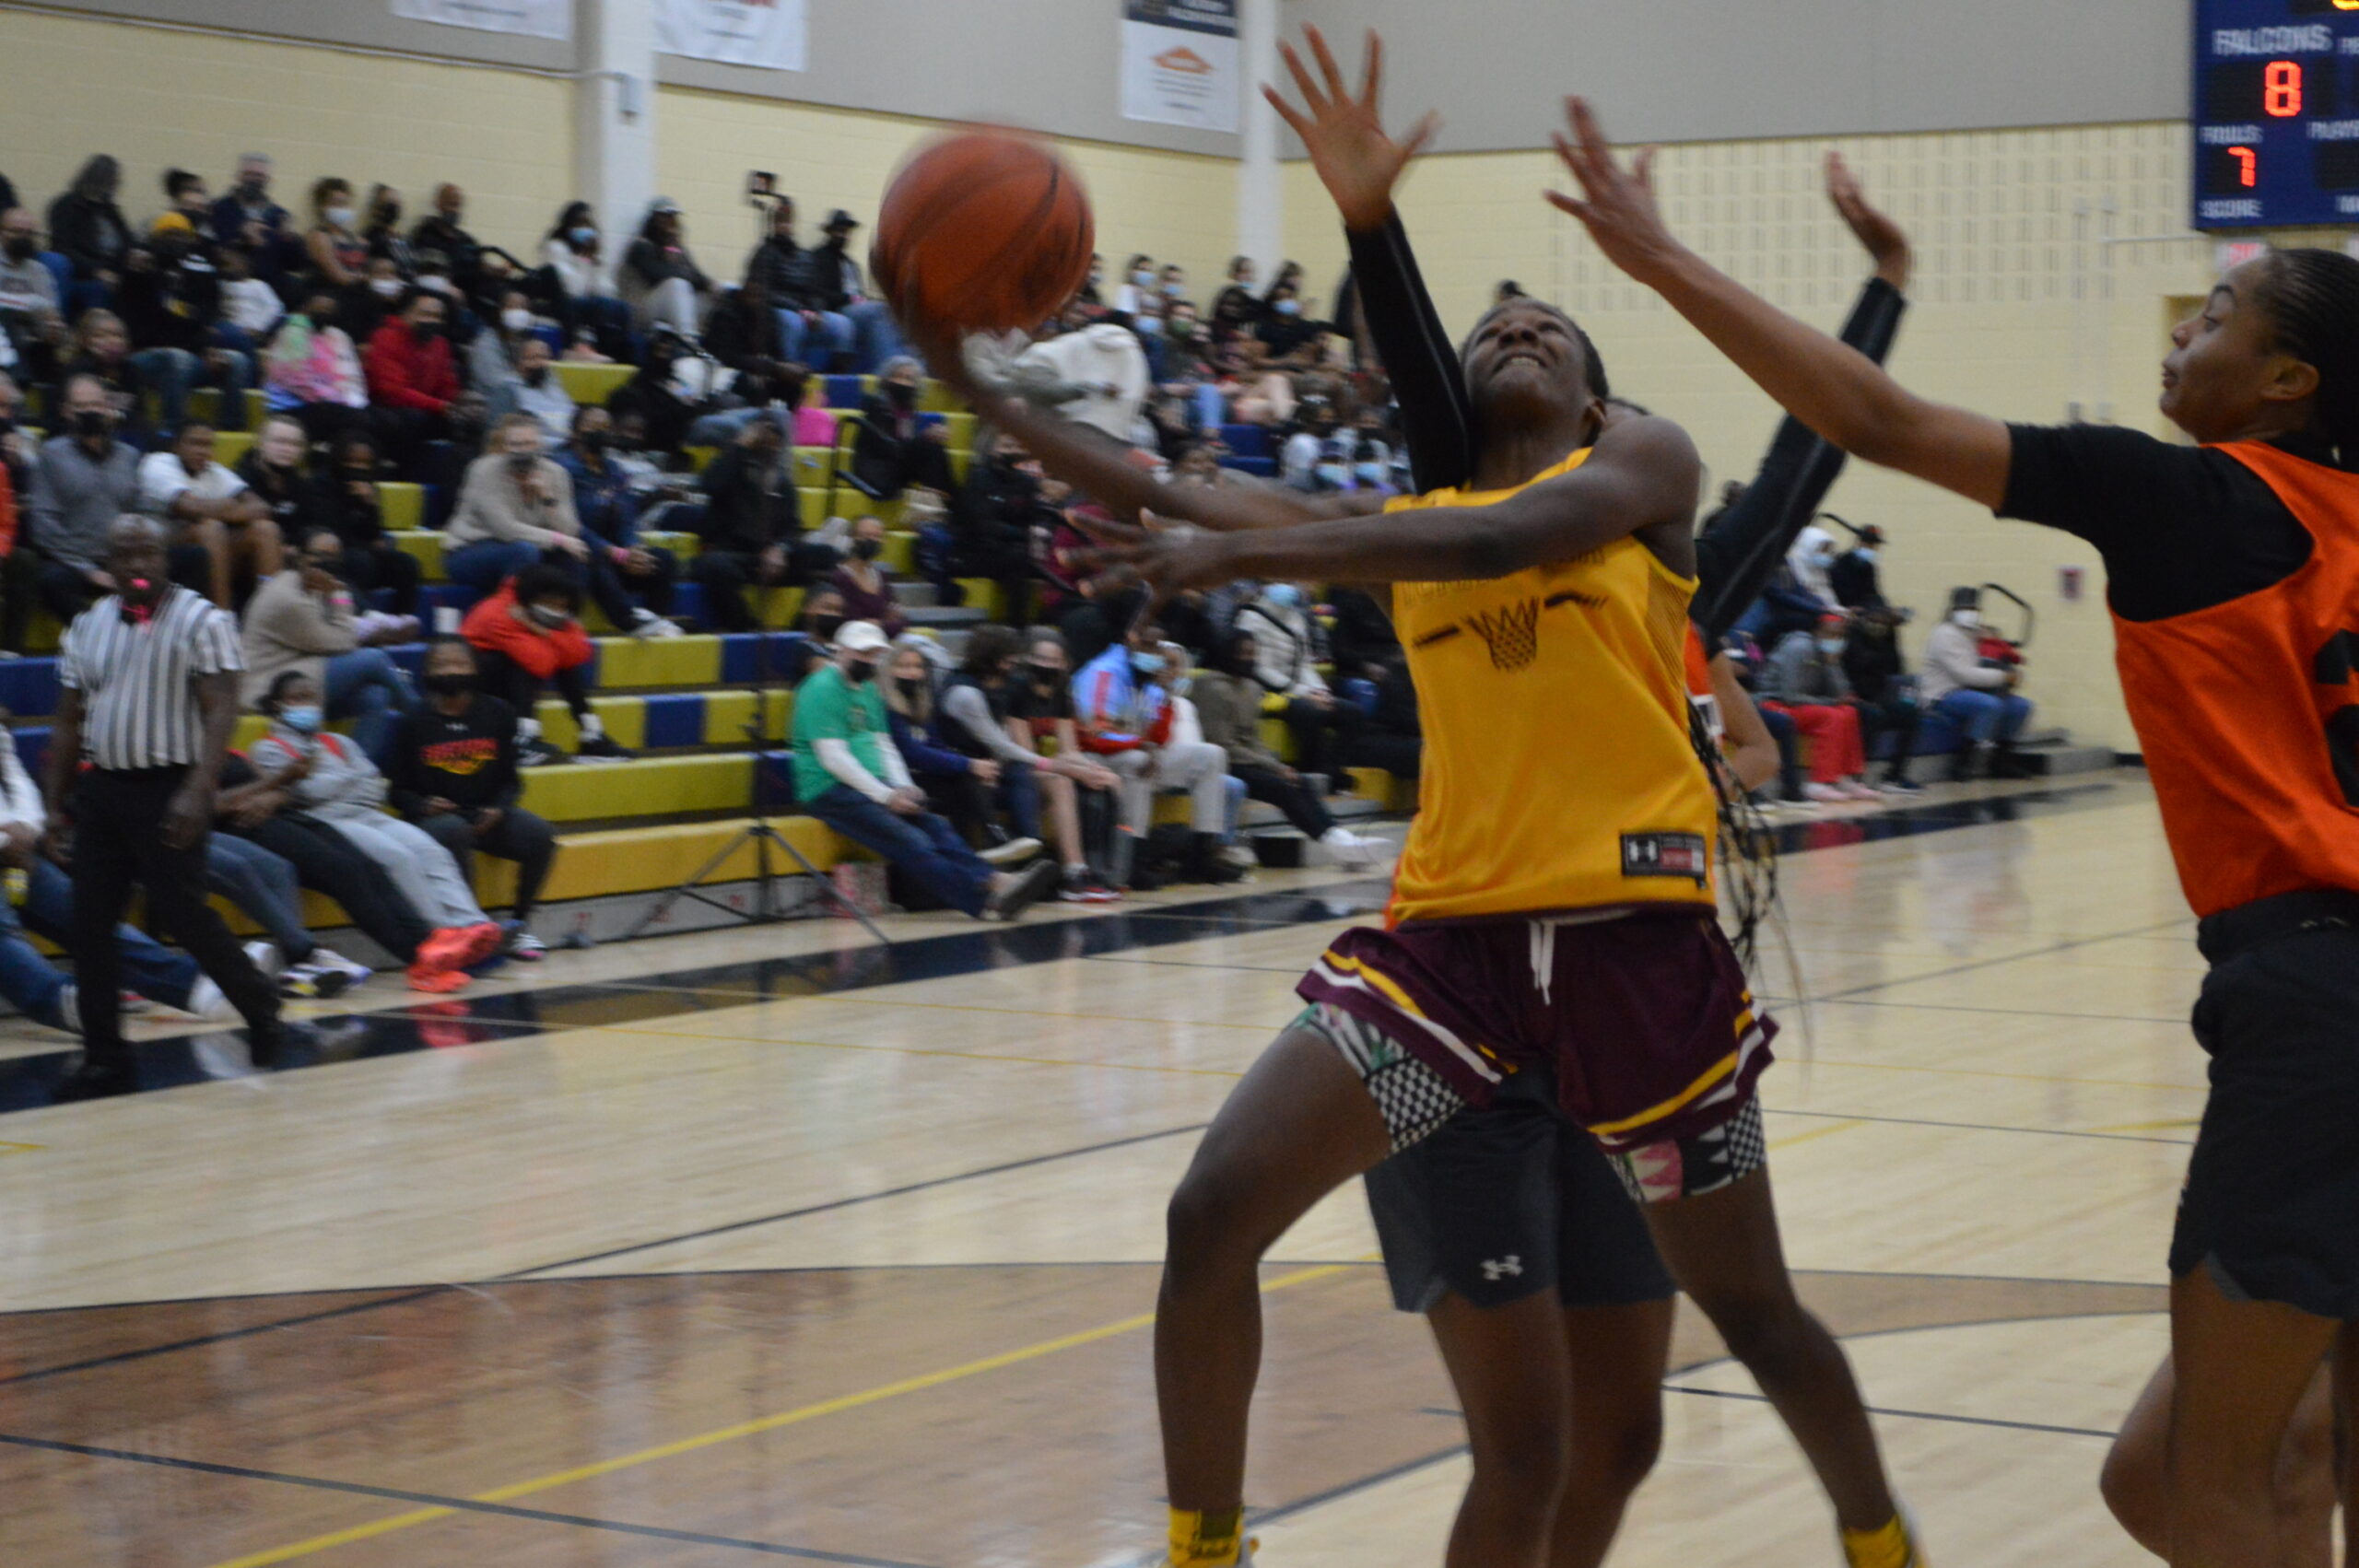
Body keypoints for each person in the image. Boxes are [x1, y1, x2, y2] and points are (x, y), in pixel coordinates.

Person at [907, 33, 1925, 1568]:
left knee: (1754, 1320)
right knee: (1212, 1211)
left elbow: (1502, 543)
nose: (1519, 328)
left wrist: (1253, 548)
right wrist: (950, 363)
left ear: (1593, 388)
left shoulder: (1641, 471)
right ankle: (1203, 1542)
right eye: (1496, 322)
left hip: (1637, 963)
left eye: (1549, 324)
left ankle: (1880, 1541)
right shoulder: (1397, 525)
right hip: (1448, 965)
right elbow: (1163, 483)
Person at [1555, 61, 2359, 1559]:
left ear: (2286, 383)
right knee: (2239, 1461)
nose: (2182, 336)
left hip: (2318, 997)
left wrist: (1657, 255)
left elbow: (1871, 418)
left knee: (2216, 1475)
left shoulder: (2185, 498)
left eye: (2212, 321)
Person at [42, 517, 287, 1100]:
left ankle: (260, 1005)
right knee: (90, 927)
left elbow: (221, 705)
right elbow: (68, 719)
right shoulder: (86, 626)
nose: (137, 565)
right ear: (108, 562)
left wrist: (200, 790)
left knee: (186, 916)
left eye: (147, 552)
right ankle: (106, 1058)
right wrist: (54, 806)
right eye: (125, 555)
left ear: (164, 557)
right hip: (102, 790)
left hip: (170, 786)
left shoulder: (202, 619)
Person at [790, 620, 1061, 920]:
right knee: (909, 839)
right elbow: (834, 758)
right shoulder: (821, 688)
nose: (868, 661)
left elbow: (885, 746)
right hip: (829, 789)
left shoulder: (868, 689)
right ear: (840, 652)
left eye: (874, 654)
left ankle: (997, 881)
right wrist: (886, 795)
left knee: (935, 826)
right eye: (862, 654)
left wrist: (904, 786)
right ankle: (984, 901)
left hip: (872, 784)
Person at [245, 671, 504, 982]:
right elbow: (300, 796)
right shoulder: (268, 749)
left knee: (431, 851)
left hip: (370, 813)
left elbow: (374, 785)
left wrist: (325, 783)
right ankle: (443, 937)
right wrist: (345, 781)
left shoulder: (338, 741)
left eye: (311, 698)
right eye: (297, 698)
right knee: (398, 858)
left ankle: (473, 926)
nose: (307, 705)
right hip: (329, 821)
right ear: (277, 705)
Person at [385, 638, 557, 959]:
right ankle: (474, 930)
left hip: (484, 815)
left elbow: (511, 780)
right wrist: (423, 806)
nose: (450, 670)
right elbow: (396, 791)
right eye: (441, 664)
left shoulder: (499, 713)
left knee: (541, 835)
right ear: (428, 673)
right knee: (452, 829)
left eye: (459, 663)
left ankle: (519, 926)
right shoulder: (413, 721)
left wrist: (499, 809)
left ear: (475, 669)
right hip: (434, 821)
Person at [446, 414, 680, 638]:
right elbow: (505, 529)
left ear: (539, 445)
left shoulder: (556, 473)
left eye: (528, 443)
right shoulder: (484, 470)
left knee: (579, 555)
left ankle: (584, 623)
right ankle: (517, 623)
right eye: (514, 444)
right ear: (504, 446)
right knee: (526, 550)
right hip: (471, 551)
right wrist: (559, 540)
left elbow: (569, 528)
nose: (521, 450)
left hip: (530, 550)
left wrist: (548, 498)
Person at [937, 623, 1123, 903]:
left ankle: (1095, 870)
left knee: (1101, 780)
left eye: (1054, 660)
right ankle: (1063, 869)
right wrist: (1064, 768)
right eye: (1040, 659)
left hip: (1013, 766)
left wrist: (1090, 770)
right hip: (990, 769)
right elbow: (1011, 750)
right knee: (1059, 782)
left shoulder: (1055, 690)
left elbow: (1068, 748)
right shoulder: (1004, 690)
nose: (1043, 665)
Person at [1071, 618, 1242, 890]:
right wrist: (1140, 743)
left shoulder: (1149, 680)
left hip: (1134, 753)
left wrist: (1164, 696)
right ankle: (1133, 863)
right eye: (1148, 645)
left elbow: (1159, 739)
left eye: (1156, 648)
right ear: (1130, 640)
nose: (1153, 654)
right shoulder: (1104, 672)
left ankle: (1201, 857)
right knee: (1138, 761)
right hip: (1093, 757)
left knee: (1211, 755)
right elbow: (1094, 735)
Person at [1195, 630, 1382, 868]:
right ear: (1228, 654)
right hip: (1221, 760)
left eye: (1253, 654)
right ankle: (1336, 844)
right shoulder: (1211, 687)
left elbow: (1252, 739)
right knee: (1280, 787)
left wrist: (1279, 765)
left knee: (1300, 781)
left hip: (1248, 759)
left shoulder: (1251, 687)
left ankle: (1338, 837)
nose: (1248, 659)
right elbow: (1222, 744)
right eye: (1243, 653)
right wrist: (1272, 767)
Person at [241, 527, 416, 759]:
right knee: (374, 659)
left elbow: (338, 633)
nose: (326, 564)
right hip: (269, 686)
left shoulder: (306, 585)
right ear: (299, 556)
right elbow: (343, 642)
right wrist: (339, 593)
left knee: (376, 696)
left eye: (334, 558)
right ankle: (421, 717)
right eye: (319, 555)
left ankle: (359, 774)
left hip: (301, 672)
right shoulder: (288, 597)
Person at [879, 634, 1040, 860]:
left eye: (917, 666)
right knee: (965, 778)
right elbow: (911, 754)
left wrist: (971, 766)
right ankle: (994, 840)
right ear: (889, 671)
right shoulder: (885, 706)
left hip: (927, 776)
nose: (912, 673)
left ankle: (984, 852)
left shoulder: (923, 702)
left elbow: (936, 745)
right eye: (903, 666)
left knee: (972, 780)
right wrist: (968, 764)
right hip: (899, 780)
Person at [460, 562, 626, 765]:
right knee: (528, 661)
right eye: (551, 604)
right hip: (474, 685)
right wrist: (551, 638)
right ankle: (523, 740)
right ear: (532, 598)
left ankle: (591, 734)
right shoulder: (499, 613)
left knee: (566, 662)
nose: (556, 611)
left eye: (561, 607)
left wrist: (539, 630)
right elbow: (540, 664)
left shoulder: (544, 614)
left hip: (512, 680)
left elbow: (581, 653)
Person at [692, 413, 830, 632]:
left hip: (770, 559)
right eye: (763, 441)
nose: (769, 448)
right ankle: (743, 626)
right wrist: (741, 444)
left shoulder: (782, 482)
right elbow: (709, 485)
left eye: (774, 443)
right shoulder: (731, 467)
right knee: (714, 566)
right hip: (731, 554)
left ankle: (806, 624)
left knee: (826, 555)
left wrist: (780, 549)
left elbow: (791, 528)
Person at [25, 373, 142, 623]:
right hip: (75, 566)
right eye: (81, 406)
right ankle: (97, 637)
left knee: (188, 559)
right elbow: (43, 524)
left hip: (124, 563)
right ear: (67, 411)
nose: (90, 412)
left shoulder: (129, 456)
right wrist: (88, 571)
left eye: (96, 405)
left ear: (108, 408)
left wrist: (133, 564)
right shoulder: (50, 455)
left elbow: (142, 515)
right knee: (51, 581)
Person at [138, 421, 279, 609]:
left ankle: (268, 614)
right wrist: (229, 506)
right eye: (195, 443)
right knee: (210, 528)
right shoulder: (158, 463)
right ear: (177, 446)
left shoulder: (214, 471)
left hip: (209, 550)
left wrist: (217, 509)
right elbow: (189, 508)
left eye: (208, 445)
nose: (203, 451)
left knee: (265, 529)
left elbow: (262, 509)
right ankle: (222, 615)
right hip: (161, 553)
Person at [1233, 580, 1358, 790]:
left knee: (1351, 713)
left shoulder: (1296, 617)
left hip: (1299, 689)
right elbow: (1260, 669)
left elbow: (1304, 663)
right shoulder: (1250, 618)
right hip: (1266, 690)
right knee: (1309, 712)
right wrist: (1303, 693)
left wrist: (1320, 691)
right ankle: (1312, 772)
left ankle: (1335, 771)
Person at [1757, 612, 1882, 802]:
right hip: (1773, 703)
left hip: (1803, 703)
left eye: (1840, 636)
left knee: (1849, 712)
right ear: (1817, 632)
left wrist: (1833, 664)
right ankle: (1818, 782)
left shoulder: (1827, 653)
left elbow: (1842, 694)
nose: (1836, 640)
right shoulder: (1799, 648)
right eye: (1831, 634)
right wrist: (1831, 703)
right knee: (1832, 716)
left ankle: (1844, 776)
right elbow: (1790, 696)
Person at [1919, 586, 2033, 779]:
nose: (1971, 613)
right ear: (1953, 610)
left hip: (1968, 691)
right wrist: (2002, 677)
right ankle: (1964, 762)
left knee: (2020, 706)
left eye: (1974, 608)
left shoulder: (1970, 633)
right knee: (1989, 705)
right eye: (1966, 608)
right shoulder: (1944, 634)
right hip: (1942, 695)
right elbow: (1964, 674)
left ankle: (2000, 761)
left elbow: (1982, 660)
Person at [746, 197, 852, 370]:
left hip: (805, 309)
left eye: (787, 221)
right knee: (793, 323)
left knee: (842, 324)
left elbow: (815, 290)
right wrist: (799, 310)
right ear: (772, 224)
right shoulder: (763, 253)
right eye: (780, 221)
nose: (784, 225)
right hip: (779, 309)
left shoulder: (804, 255)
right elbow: (763, 291)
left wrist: (815, 311)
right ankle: (791, 370)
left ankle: (836, 375)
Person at [362, 287, 460, 471]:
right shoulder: (386, 337)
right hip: (387, 410)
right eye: (425, 314)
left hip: (427, 409)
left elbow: (448, 385)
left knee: (467, 421)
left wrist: (457, 407)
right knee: (413, 419)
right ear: (405, 314)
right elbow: (392, 393)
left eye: (437, 316)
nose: (432, 321)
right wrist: (440, 406)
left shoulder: (440, 344)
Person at [261, 289, 370, 447]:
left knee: (365, 417)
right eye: (319, 308)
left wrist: (354, 401)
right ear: (307, 308)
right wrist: (335, 399)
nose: (324, 313)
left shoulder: (337, 337)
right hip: (291, 405)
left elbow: (350, 375)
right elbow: (296, 381)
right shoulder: (292, 333)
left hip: (329, 403)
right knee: (337, 415)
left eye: (329, 309)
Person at [805, 209, 903, 372]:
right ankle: (887, 372)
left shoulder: (851, 264)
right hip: (837, 311)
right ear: (830, 232)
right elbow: (817, 292)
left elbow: (861, 294)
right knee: (879, 311)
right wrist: (848, 299)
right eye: (839, 231)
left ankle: (897, 367)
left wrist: (864, 300)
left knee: (889, 313)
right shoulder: (818, 257)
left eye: (846, 232)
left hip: (858, 310)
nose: (843, 235)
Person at [1840, 608, 1924, 792]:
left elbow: (1895, 666)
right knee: (1873, 716)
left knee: (1911, 714)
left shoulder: (1886, 638)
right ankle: (1855, 776)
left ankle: (1893, 775)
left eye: (1884, 622)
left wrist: (1892, 634)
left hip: (1878, 696)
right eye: (1875, 620)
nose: (1879, 625)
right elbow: (1861, 662)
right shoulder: (1851, 638)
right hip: (1850, 697)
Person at [851, 357, 957, 501]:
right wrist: (924, 437)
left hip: (897, 469)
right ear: (886, 380)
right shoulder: (875, 407)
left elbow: (905, 449)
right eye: (898, 376)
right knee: (928, 445)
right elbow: (887, 447)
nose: (903, 383)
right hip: (877, 472)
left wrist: (927, 438)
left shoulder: (910, 412)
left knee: (935, 447)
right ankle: (949, 502)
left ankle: (944, 498)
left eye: (909, 379)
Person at [540, 201, 630, 359]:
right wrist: (583, 259)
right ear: (568, 226)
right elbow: (571, 289)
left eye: (587, 225)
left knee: (621, 308)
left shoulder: (591, 252)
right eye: (579, 224)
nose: (584, 229)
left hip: (588, 301)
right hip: (564, 302)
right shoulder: (556, 248)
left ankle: (619, 355)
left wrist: (595, 262)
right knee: (601, 307)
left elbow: (606, 291)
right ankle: (594, 351)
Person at [620, 199, 710, 338]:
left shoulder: (676, 248)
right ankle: (687, 338)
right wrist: (678, 269)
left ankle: (711, 343)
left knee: (714, 295)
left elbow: (699, 278)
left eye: (672, 218)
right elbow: (657, 275)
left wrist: (709, 285)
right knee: (676, 284)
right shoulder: (641, 246)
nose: (670, 223)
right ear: (653, 220)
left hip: (669, 305)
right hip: (639, 309)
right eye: (665, 218)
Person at [48, 154, 129, 293]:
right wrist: (96, 271)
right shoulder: (67, 205)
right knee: (101, 287)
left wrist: (138, 253)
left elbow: (127, 237)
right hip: (84, 271)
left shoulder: (109, 209)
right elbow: (62, 247)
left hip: (113, 267)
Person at [827, 514, 908, 637]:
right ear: (852, 538)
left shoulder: (881, 576)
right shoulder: (839, 577)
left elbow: (901, 621)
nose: (872, 540)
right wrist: (885, 622)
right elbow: (851, 622)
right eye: (865, 535)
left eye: (877, 536)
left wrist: (878, 624)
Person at [409, 183, 480, 295]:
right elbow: (426, 269)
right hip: (437, 291)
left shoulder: (466, 240)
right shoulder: (424, 234)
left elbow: (477, 265)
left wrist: (488, 269)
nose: (455, 211)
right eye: (451, 205)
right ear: (439, 204)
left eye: (458, 206)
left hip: (468, 294)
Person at [303, 177, 366, 292]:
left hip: (354, 291)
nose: (342, 208)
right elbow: (338, 276)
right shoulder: (319, 236)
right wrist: (365, 280)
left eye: (345, 204)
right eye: (336, 203)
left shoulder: (357, 239)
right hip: (328, 293)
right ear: (323, 206)